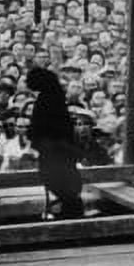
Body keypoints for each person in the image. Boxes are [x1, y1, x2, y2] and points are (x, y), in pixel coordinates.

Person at [24, 66, 85, 218]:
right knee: (66, 188)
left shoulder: (46, 99)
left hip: (53, 151)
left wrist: (35, 136)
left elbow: (39, 128)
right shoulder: (55, 97)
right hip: (59, 151)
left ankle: (71, 215)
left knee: (62, 186)